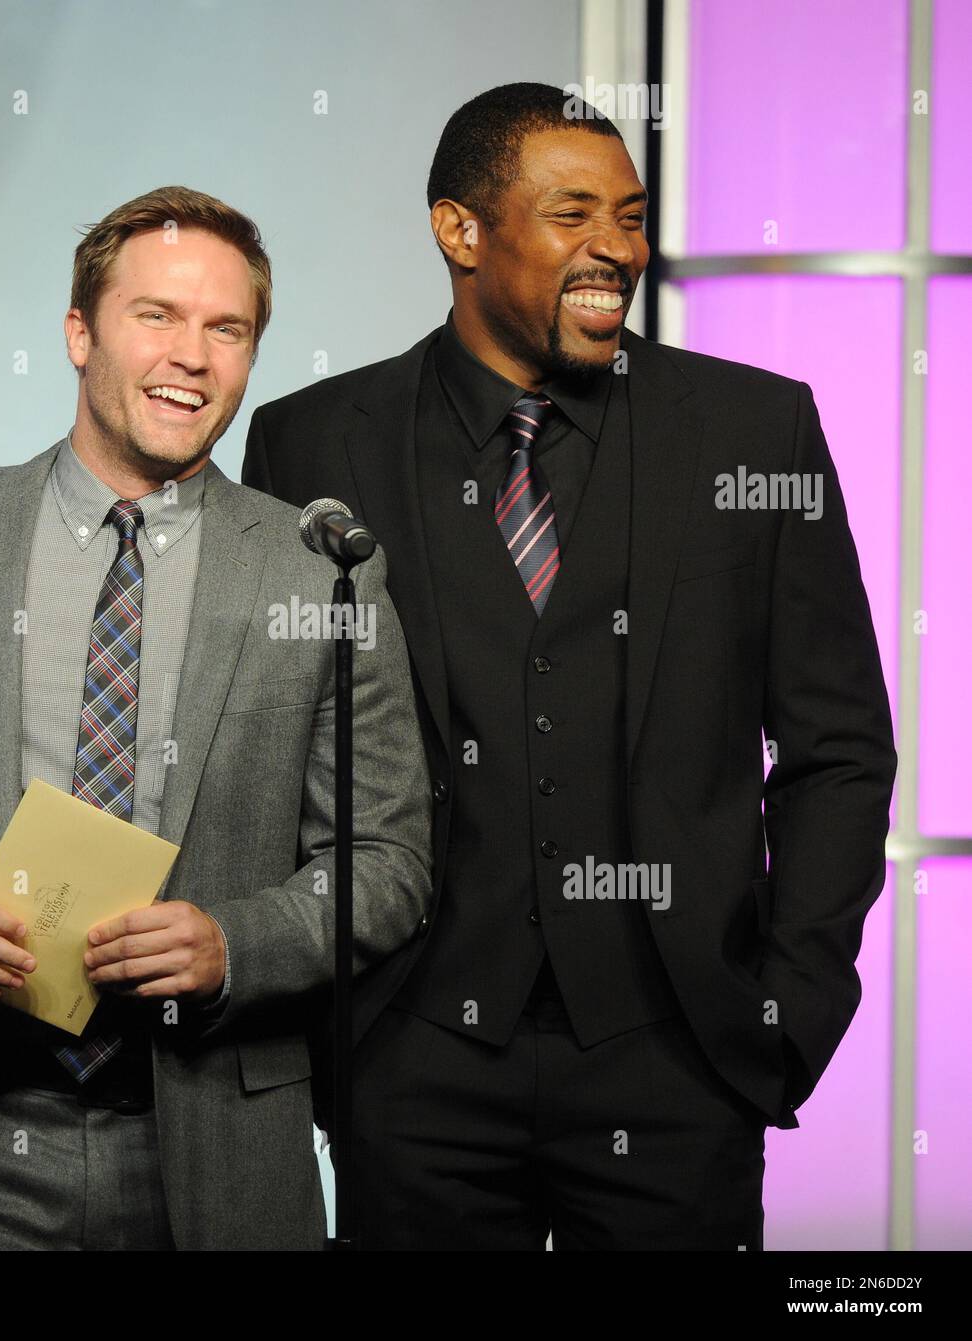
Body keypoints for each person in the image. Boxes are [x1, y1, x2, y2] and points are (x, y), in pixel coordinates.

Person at [242, 84, 897, 1250]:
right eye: (573, 213)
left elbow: (838, 747)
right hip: (410, 1063)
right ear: (461, 230)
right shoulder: (313, 443)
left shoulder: (755, 434)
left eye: (632, 217)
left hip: (679, 1061)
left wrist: (788, 1005)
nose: (616, 249)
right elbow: (274, 746)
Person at [0, 185, 432, 1251]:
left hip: (209, 1153)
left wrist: (234, 945)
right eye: (156, 315)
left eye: (226, 328)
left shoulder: (322, 570)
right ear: (78, 333)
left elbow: (384, 863)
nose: (192, 356)